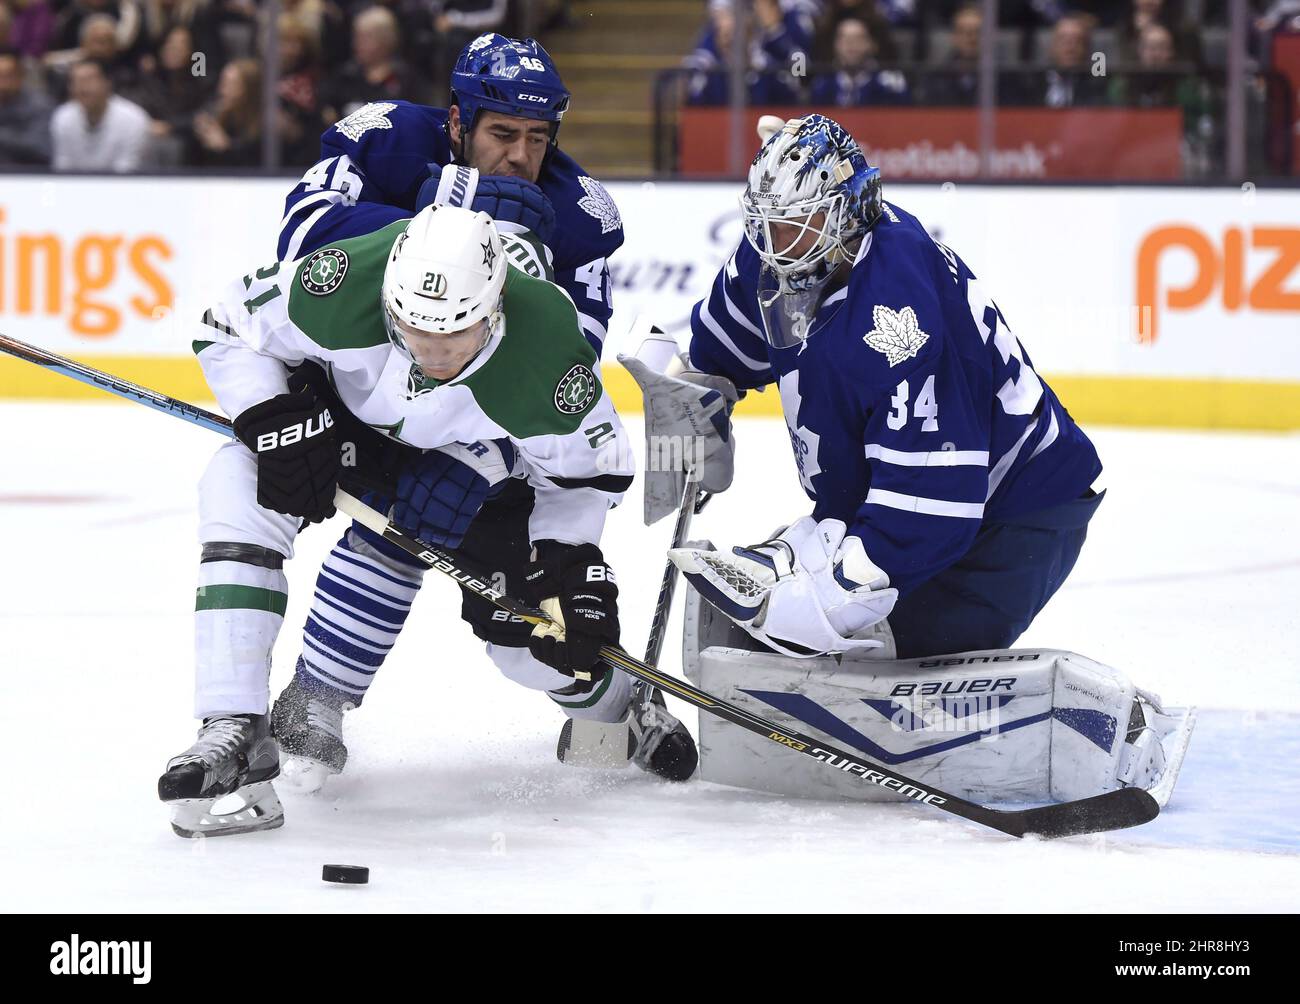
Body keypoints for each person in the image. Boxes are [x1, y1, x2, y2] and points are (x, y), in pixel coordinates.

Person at [156, 204, 681, 837]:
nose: (430, 351)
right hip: (356, 423)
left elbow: (585, 478)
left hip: (490, 464)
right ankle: (233, 725)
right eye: (411, 329)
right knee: (236, 482)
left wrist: (562, 563)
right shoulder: (345, 281)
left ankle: (619, 707)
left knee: (531, 639)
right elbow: (227, 325)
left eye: (454, 335)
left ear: (495, 309)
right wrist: (272, 417)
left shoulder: (548, 357)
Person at [270, 34, 691, 791]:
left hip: (483, 426)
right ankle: (316, 696)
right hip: (363, 393)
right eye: (502, 134)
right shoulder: (386, 137)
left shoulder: (582, 213)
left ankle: (620, 704)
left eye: (537, 138)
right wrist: (445, 208)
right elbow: (299, 244)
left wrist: (486, 458)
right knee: (351, 510)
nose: (520, 155)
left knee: (526, 628)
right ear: (459, 120)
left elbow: (568, 365)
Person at [654, 114, 1102, 662]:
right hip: (913, 495)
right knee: (794, 614)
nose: (777, 245)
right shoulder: (782, 250)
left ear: (849, 214)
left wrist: (842, 592)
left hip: (1015, 515)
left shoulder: (897, 316)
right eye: (767, 224)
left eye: (799, 223)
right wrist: (696, 400)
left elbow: (932, 500)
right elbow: (723, 350)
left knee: (869, 644)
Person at [50, 57, 149, 170]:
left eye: (89, 80)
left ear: (108, 83)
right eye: (75, 81)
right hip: (74, 186)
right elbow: (62, 168)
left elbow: (127, 172)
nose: (82, 87)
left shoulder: (133, 120)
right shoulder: (62, 117)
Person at [809, 17, 909, 106]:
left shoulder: (890, 84)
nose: (850, 44)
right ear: (835, 45)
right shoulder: (822, 84)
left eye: (858, 38)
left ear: (872, 44)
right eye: (844, 38)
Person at [0, 45, 52, 164]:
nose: (2, 84)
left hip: (27, 176)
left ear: (20, 76)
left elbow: (41, 148)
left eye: (8, 76)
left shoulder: (39, 106)